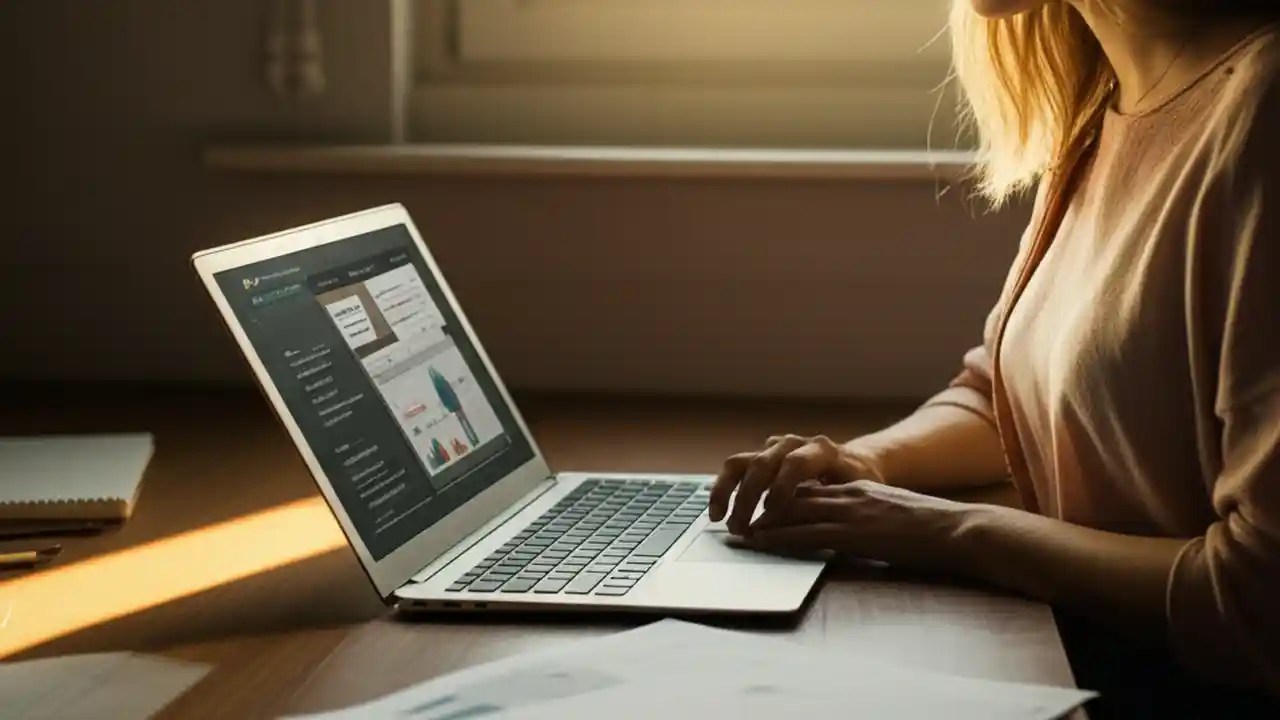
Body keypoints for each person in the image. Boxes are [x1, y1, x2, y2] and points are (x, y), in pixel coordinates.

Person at [710, 1, 1280, 716]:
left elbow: (1258, 597)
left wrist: (944, 531)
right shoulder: (1113, 98)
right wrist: (868, 463)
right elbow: (1002, 392)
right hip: (1083, 667)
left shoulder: (1261, 118)